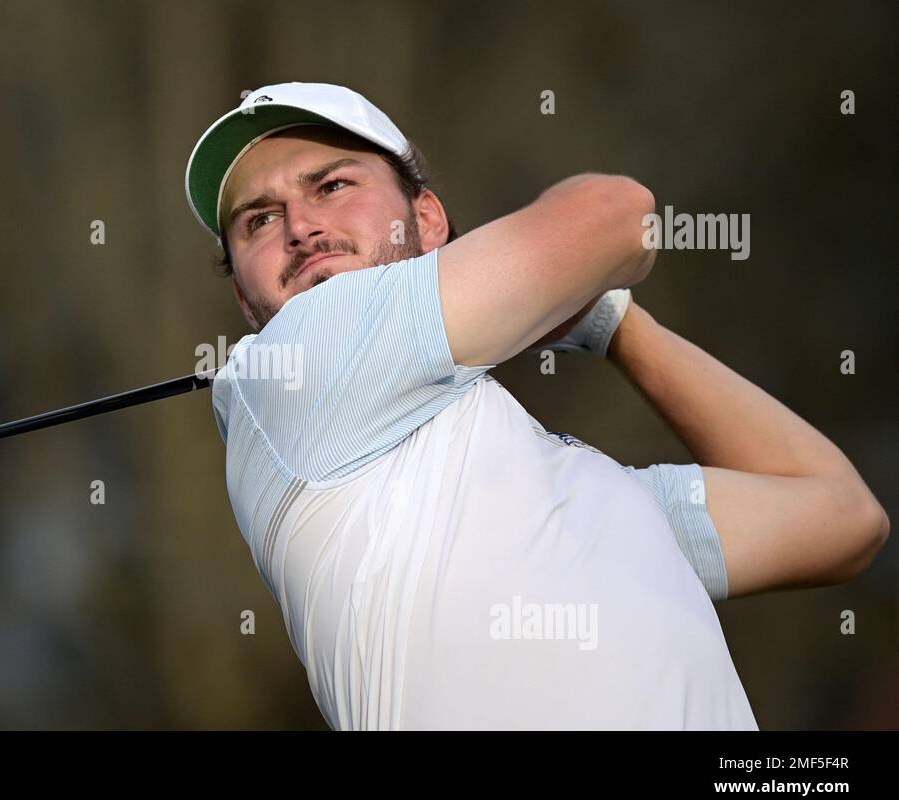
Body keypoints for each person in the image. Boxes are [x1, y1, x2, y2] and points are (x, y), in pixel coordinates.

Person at [184, 82, 889, 730]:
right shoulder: (295, 365)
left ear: (428, 220)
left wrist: (612, 322)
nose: (300, 227)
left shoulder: (578, 489)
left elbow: (841, 516)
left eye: (331, 185)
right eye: (259, 221)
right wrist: (576, 287)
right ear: (247, 301)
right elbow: (621, 214)